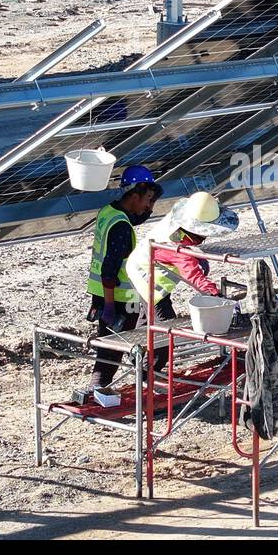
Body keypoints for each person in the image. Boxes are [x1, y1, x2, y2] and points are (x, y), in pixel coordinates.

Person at [125, 191, 239, 373]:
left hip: (141, 262)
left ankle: (136, 355)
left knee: (148, 317)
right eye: (202, 236)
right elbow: (194, 275)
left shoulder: (185, 215)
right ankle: (148, 374)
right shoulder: (175, 246)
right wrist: (217, 297)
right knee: (165, 329)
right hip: (146, 275)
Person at [85, 164, 162, 390]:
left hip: (102, 293)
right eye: (147, 199)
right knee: (113, 348)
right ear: (134, 195)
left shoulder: (110, 212)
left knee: (111, 344)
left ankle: (102, 388)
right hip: (117, 298)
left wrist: (148, 208)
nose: (149, 206)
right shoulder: (121, 228)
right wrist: (110, 306)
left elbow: (135, 217)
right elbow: (109, 270)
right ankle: (98, 390)